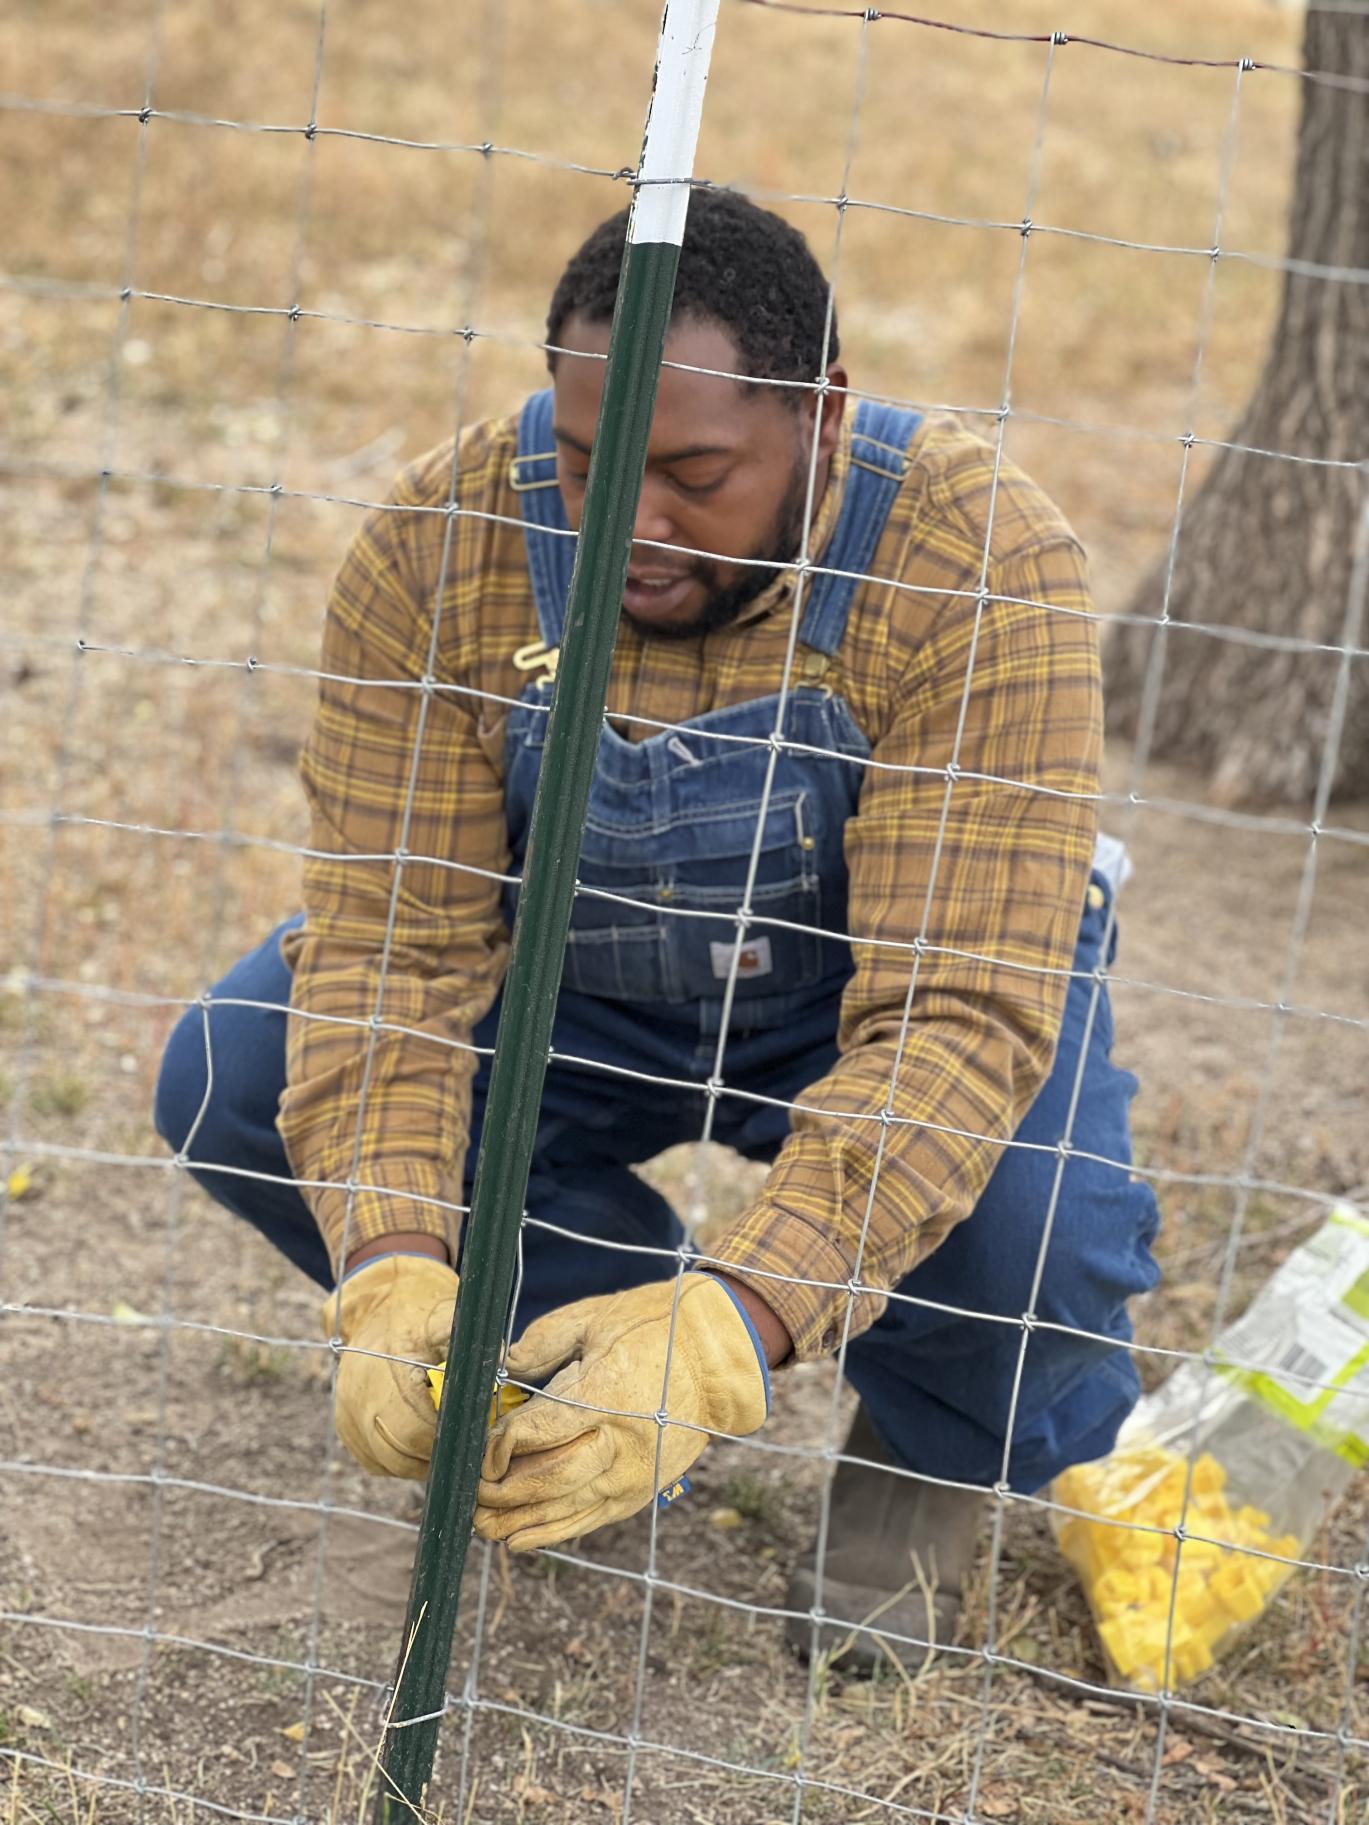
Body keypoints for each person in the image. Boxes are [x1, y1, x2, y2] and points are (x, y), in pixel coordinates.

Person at [155, 189, 1160, 1672]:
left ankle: (918, 1436)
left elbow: (957, 1017)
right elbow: (391, 947)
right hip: (581, 987)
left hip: (874, 994)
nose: (628, 519)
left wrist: (731, 1328)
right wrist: (391, 1254)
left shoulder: (979, 557)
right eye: (582, 462)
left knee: (1029, 1231)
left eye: (693, 471)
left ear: (821, 412)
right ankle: (575, 1356)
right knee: (235, 1078)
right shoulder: (441, 543)